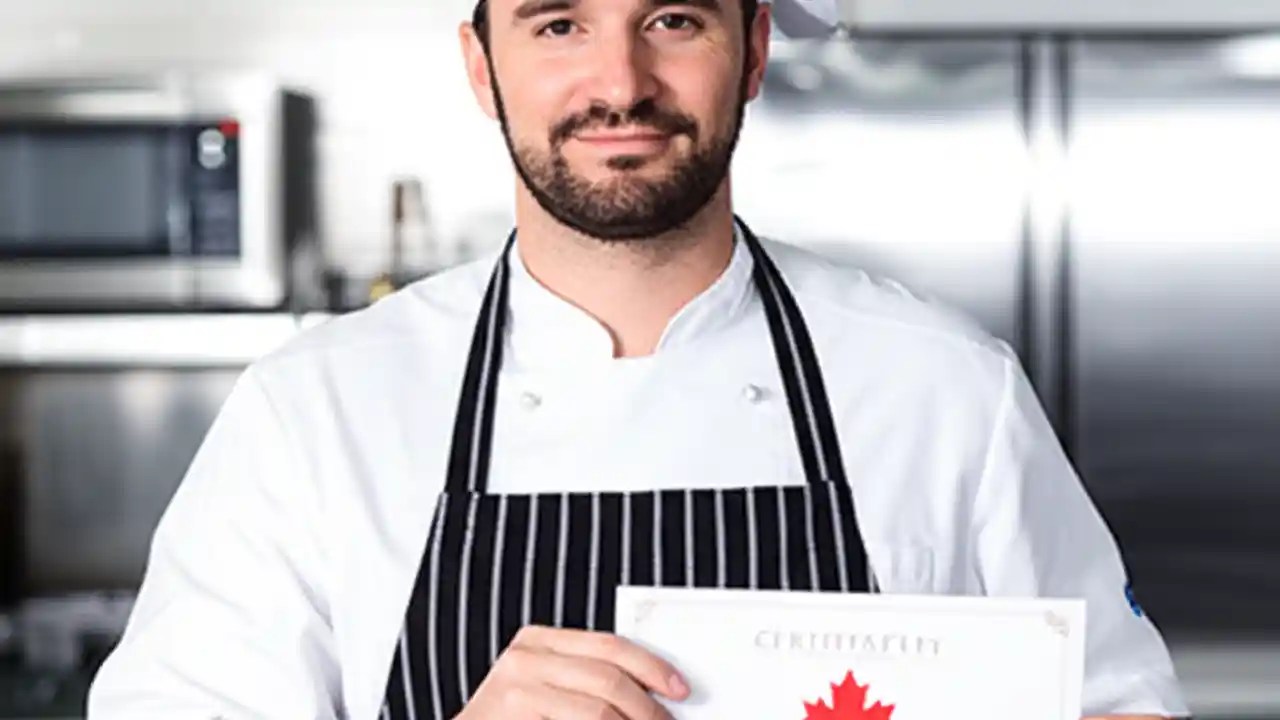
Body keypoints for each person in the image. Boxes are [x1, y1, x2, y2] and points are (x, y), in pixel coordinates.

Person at [88, 0, 1189, 718]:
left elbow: (1118, 705)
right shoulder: (315, 411)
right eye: (558, 24)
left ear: (752, 50)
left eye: (671, 19)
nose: (618, 82)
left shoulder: (944, 389)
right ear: (481, 66)